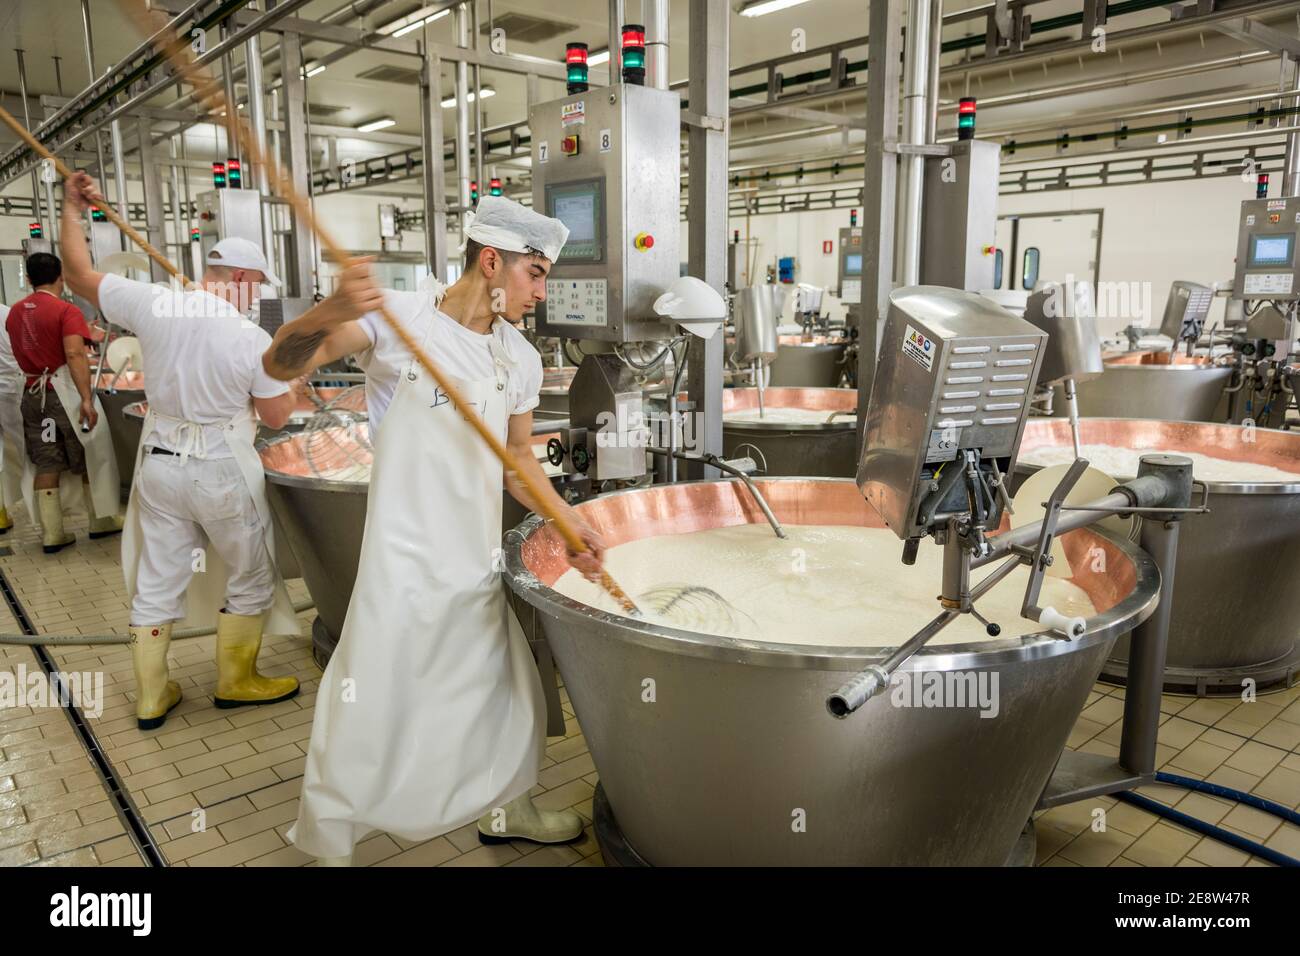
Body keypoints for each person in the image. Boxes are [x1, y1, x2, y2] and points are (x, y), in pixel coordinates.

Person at [263, 196, 606, 865]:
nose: (542, 291)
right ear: (491, 261)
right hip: (401, 562)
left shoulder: (518, 358)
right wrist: (335, 306)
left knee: (504, 688)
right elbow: (282, 364)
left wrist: (567, 519)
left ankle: (507, 807)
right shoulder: (398, 317)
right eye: (535, 273)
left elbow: (517, 463)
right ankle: (334, 823)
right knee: (372, 693)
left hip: (472, 557)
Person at [57, 170, 351, 731]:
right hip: (221, 468)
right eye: (258, 285)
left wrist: (73, 207)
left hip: (160, 465)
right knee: (249, 572)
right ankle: (236, 680)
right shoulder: (250, 340)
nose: (260, 295)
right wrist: (287, 386)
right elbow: (272, 418)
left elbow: (77, 274)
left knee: (158, 577)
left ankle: (150, 696)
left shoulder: (152, 303)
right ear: (241, 277)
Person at [5, 252, 121, 553]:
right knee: (89, 451)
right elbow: (74, 355)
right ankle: (100, 521)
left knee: (46, 458)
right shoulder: (65, 311)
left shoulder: (15, 312)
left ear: (29, 279)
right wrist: (85, 398)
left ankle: (52, 534)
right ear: (61, 277)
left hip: (33, 396)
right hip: (63, 395)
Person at [0, 302, 25, 533]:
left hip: (8, 385)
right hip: (10, 388)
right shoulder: (7, 313)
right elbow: (20, 350)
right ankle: (37, 501)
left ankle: (1, 514)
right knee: (25, 447)